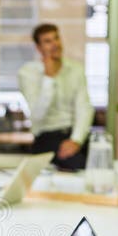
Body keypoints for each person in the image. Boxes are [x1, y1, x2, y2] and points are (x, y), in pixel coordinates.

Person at [17, 23, 94, 170]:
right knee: (77, 165)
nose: (55, 44)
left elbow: (84, 108)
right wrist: (49, 78)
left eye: (56, 38)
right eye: (47, 41)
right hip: (46, 137)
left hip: (75, 134)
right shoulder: (27, 73)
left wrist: (76, 140)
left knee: (98, 166)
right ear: (39, 48)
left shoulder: (76, 70)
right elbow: (37, 115)